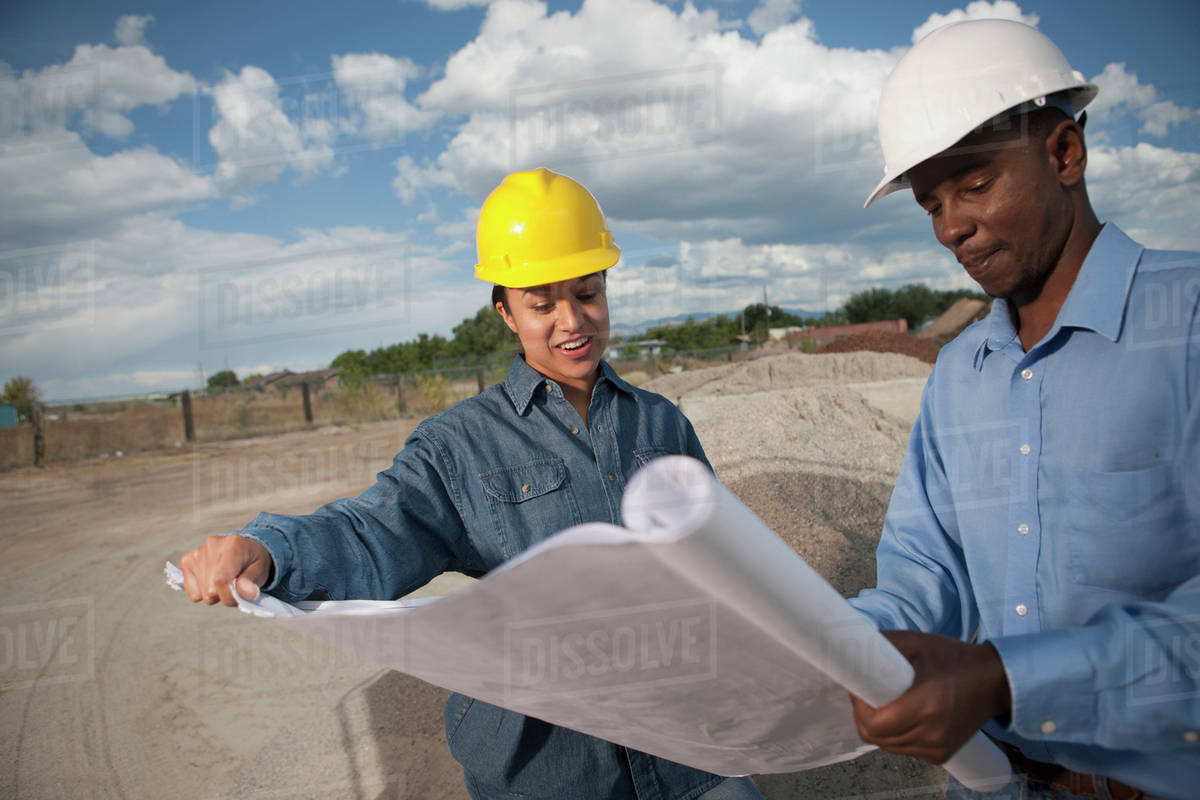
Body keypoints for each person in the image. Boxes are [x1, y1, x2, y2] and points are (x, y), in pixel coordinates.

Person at [178, 167, 764, 800]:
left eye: (588, 293)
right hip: (552, 769)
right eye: (541, 303)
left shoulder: (660, 423)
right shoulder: (458, 447)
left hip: (687, 754)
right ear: (506, 312)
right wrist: (268, 550)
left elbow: (720, 562)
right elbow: (374, 531)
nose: (572, 320)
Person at [846, 19, 1199, 800]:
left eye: (974, 185)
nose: (951, 228)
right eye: (931, 203)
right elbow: (922, 573)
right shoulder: (959, 375)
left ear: (1065, 154)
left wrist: (1003, 678)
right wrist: (838, 642)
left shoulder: (1190, 325)